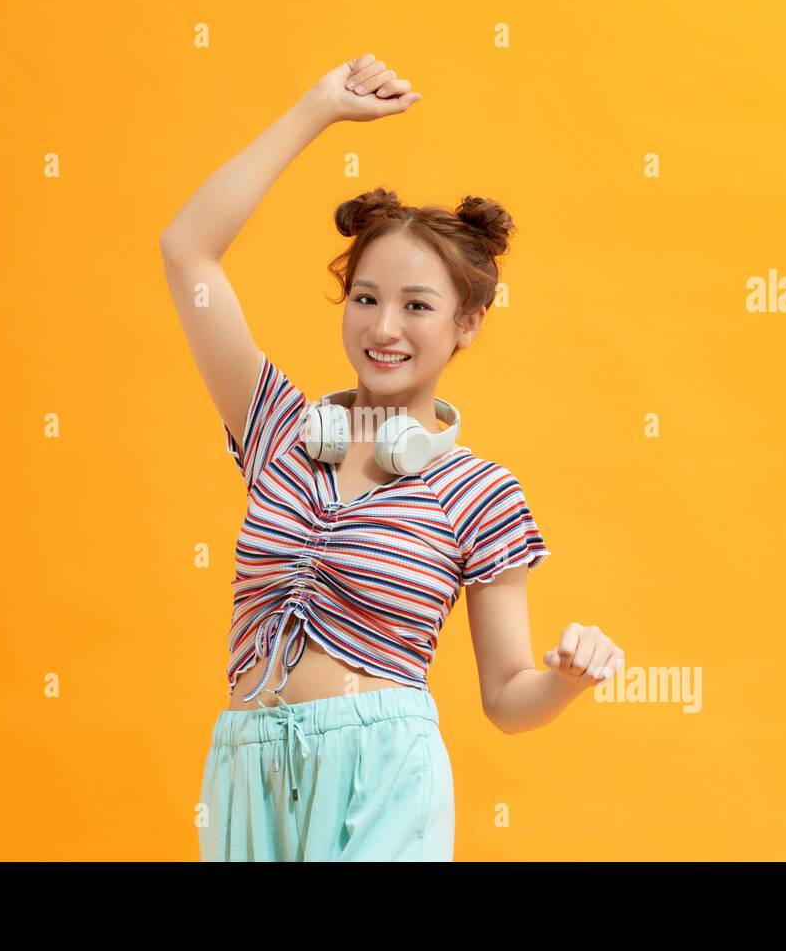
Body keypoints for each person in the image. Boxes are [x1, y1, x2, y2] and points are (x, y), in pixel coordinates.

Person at [160, 53, 625, 861]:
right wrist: (316, 107)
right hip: (244, 769)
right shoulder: (277, 429)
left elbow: (507, 697)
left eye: (417, 306)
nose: (383, 329)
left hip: (381, 775)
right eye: (367, 298)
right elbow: (187, 250)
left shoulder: (479, 494)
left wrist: (568, 680)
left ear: (467, 324)